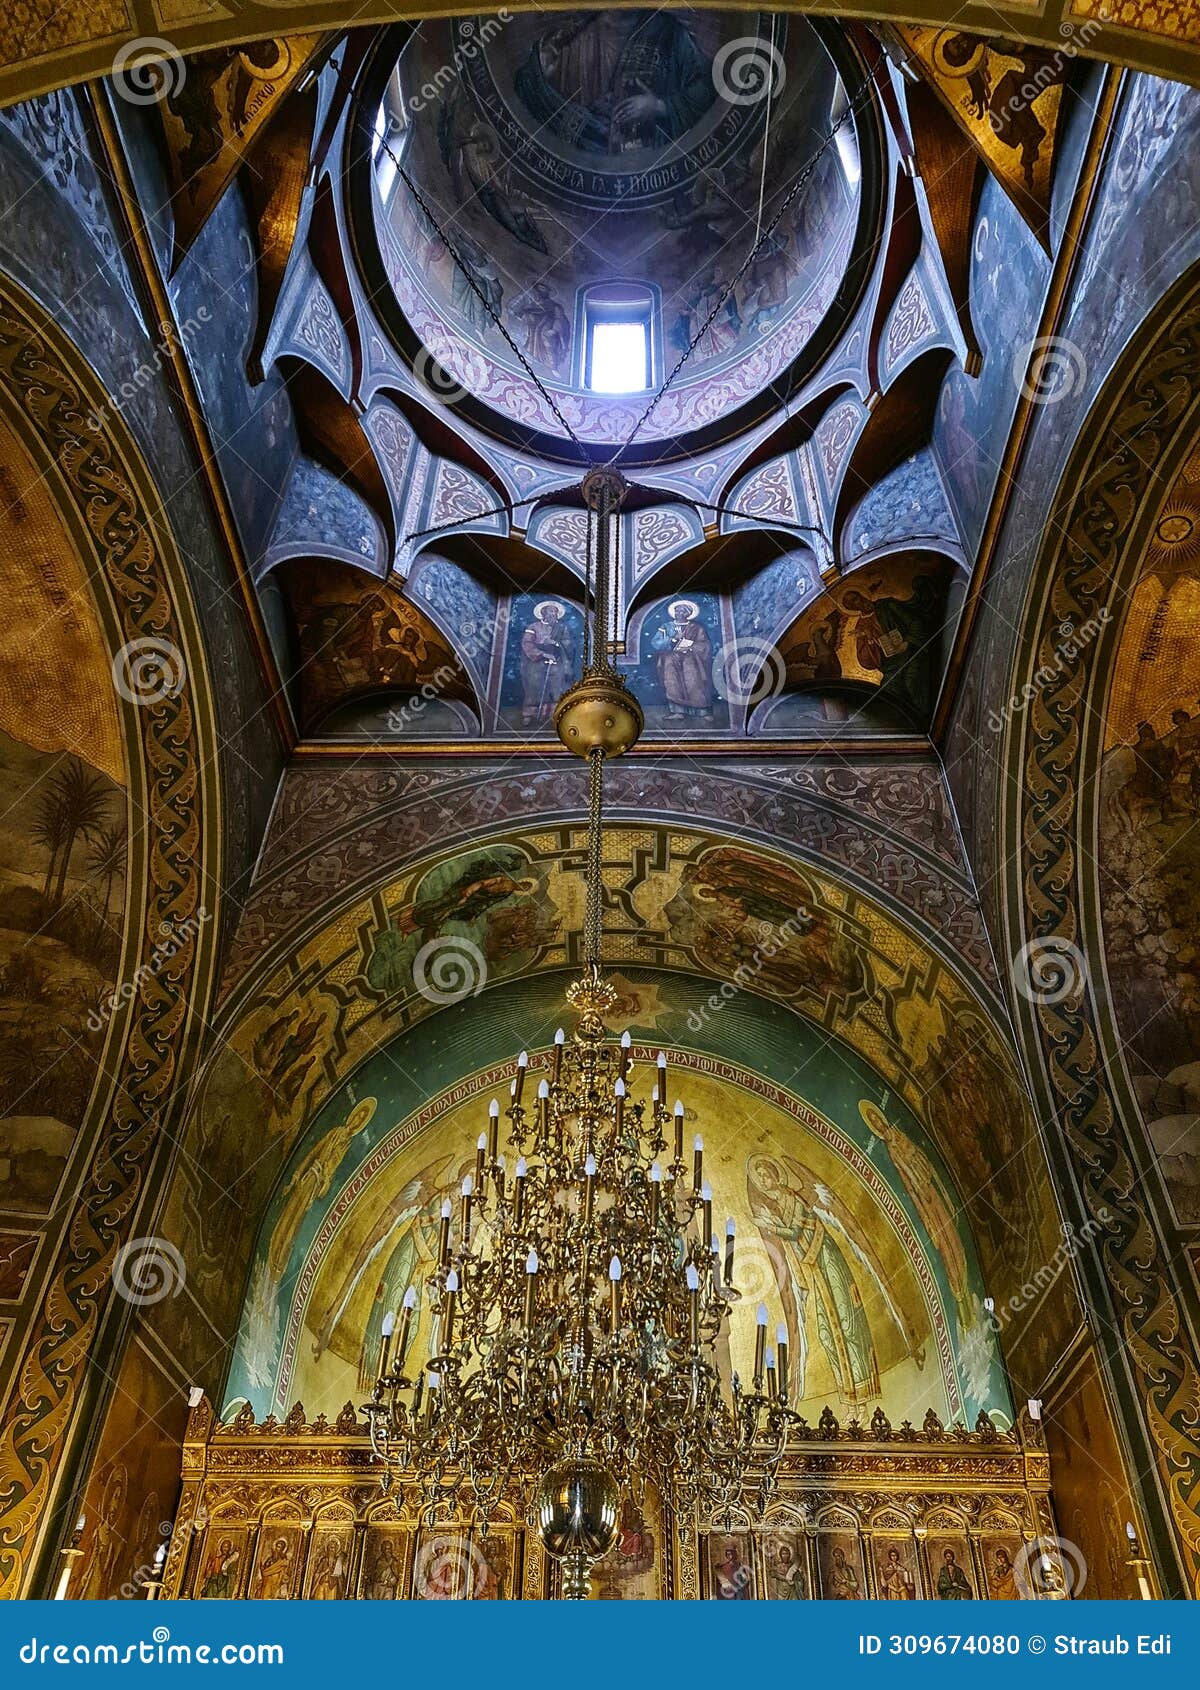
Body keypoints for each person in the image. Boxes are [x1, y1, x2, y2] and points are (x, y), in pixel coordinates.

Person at [651, 601, 714, 720]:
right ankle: (678, 712)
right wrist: (672, 640)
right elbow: (656, 642)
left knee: (694, 682)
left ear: (688, 614)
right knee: (672, 683)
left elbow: (705, 645)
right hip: (671, 658)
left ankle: (702, 712)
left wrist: (691, 646)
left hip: (691, 659)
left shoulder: (696, 628)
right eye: (677, 610)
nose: (679, 613)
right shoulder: (666, 627)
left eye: (682, 611)